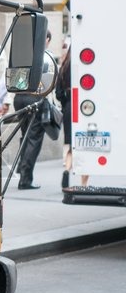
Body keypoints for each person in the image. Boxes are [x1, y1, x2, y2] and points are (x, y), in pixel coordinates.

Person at [12, 30, 52, 190]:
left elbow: (15, 81)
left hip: (19, 98)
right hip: (34, 98)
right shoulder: (46, 57)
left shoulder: (23, 55)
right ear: (46, 39)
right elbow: (47, 84)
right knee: (34, 138)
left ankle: (22, 168)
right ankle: (25, 178)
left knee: (26, 135)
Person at [56, 36, 89, 188]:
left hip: (69, 107)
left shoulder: (64, 67)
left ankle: (67, 170)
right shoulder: (84, 67)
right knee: (86, 144)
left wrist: (65, 103)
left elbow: (58, 92)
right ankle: (84, 183)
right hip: (83, 107)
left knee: (71, 144)